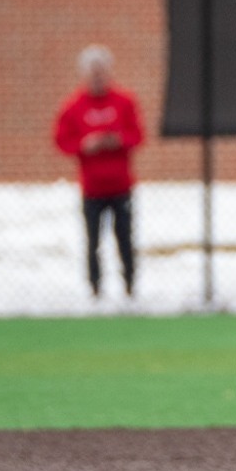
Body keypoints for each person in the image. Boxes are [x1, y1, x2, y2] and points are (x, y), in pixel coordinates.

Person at [53, 45, 145, 299]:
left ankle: (130, 286)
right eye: (93, 72)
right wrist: (85, 145)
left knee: (124, 238)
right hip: (92, 188)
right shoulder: (73, 106)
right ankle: (95, 288)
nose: (98, 77)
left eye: (102, 72)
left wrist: (118, 140)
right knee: (93, 241)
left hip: (121, 186)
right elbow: (62, 141)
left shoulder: (124, 101)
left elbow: (137, 135)